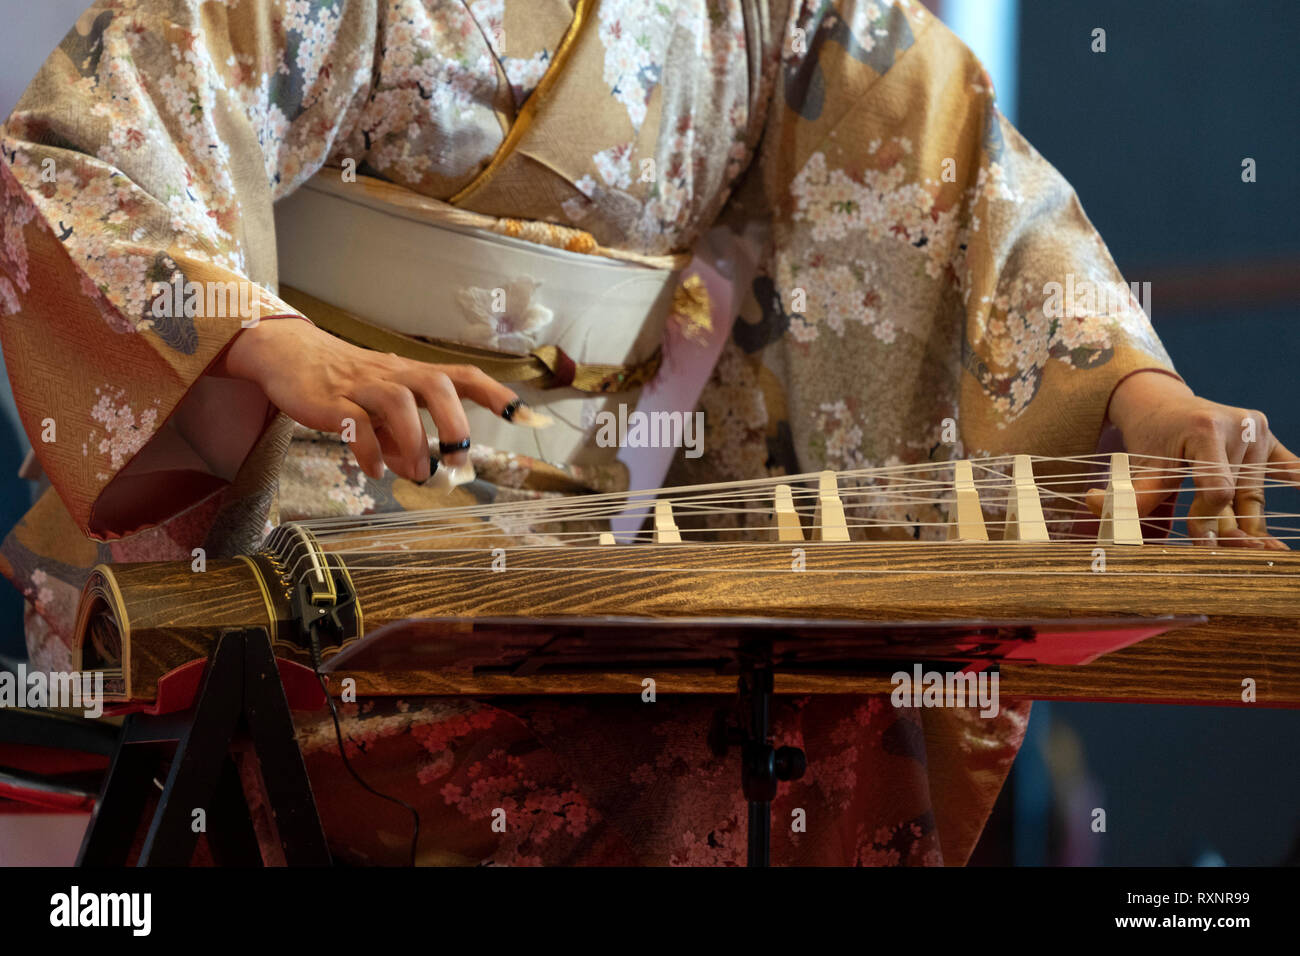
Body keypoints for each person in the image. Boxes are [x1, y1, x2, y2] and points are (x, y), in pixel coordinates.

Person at [0, 0, 1293, 865]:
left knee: (823, 710)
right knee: (572, 737)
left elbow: (962, 194)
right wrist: (274, 348)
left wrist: (1136, 395)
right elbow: (82, 160)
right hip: (316, 491)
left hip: (593, 521)